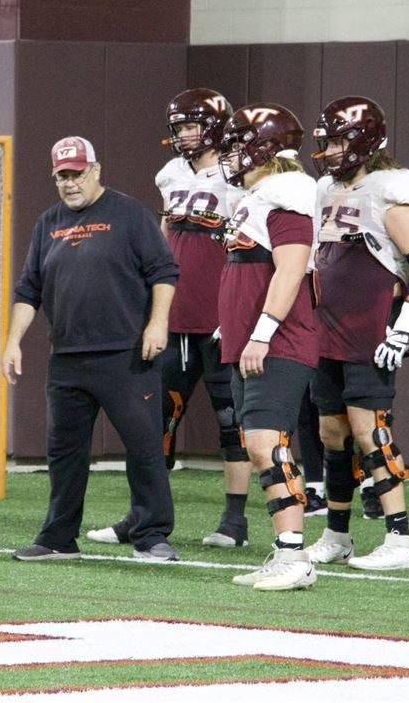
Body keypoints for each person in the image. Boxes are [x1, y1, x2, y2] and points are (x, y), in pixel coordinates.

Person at [86, 88, 253, 549]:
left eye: (190, 126)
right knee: (152, 420)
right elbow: (164, 234)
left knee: (231, 419)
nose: (182, 135)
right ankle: (143, 515)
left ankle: (234, 522)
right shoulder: (170, 173)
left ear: (215, 126)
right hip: (176, 316)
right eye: (177, 127)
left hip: (222, 315)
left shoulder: (239, 172)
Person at [3, 136, 180, 563]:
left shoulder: (130, 213)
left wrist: (158, 323)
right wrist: (12, 341)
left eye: (76, 173)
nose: (69, 183)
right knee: (64, 452)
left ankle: (151, 534)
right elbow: (30, 289)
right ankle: (59, 537)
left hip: (126, 354)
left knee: (143, 447)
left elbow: (164, 271)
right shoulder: (48, 223)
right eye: (62, 176)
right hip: (67, 357)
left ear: (96, 170)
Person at [303, 96, 409, 571]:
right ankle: (337, 534)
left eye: (340, 141)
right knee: (331, 431)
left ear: (364, 142)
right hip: (330, 325)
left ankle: (402, 540)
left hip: (372, 327)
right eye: (328, 142)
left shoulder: (390, 186)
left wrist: (404, 330)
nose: (331, 151)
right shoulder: (325, 188)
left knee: (370, 432)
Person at [212, 104, 320, 590]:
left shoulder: (288, 193)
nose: (230, 155)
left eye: (239, 145)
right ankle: (285, 553)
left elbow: (291, 269)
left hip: (278, 341)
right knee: (260, 447)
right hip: (250, 342)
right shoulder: (254, 197)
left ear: (265, 148)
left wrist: (262, 331)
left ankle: (295, 557)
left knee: (266, 444)